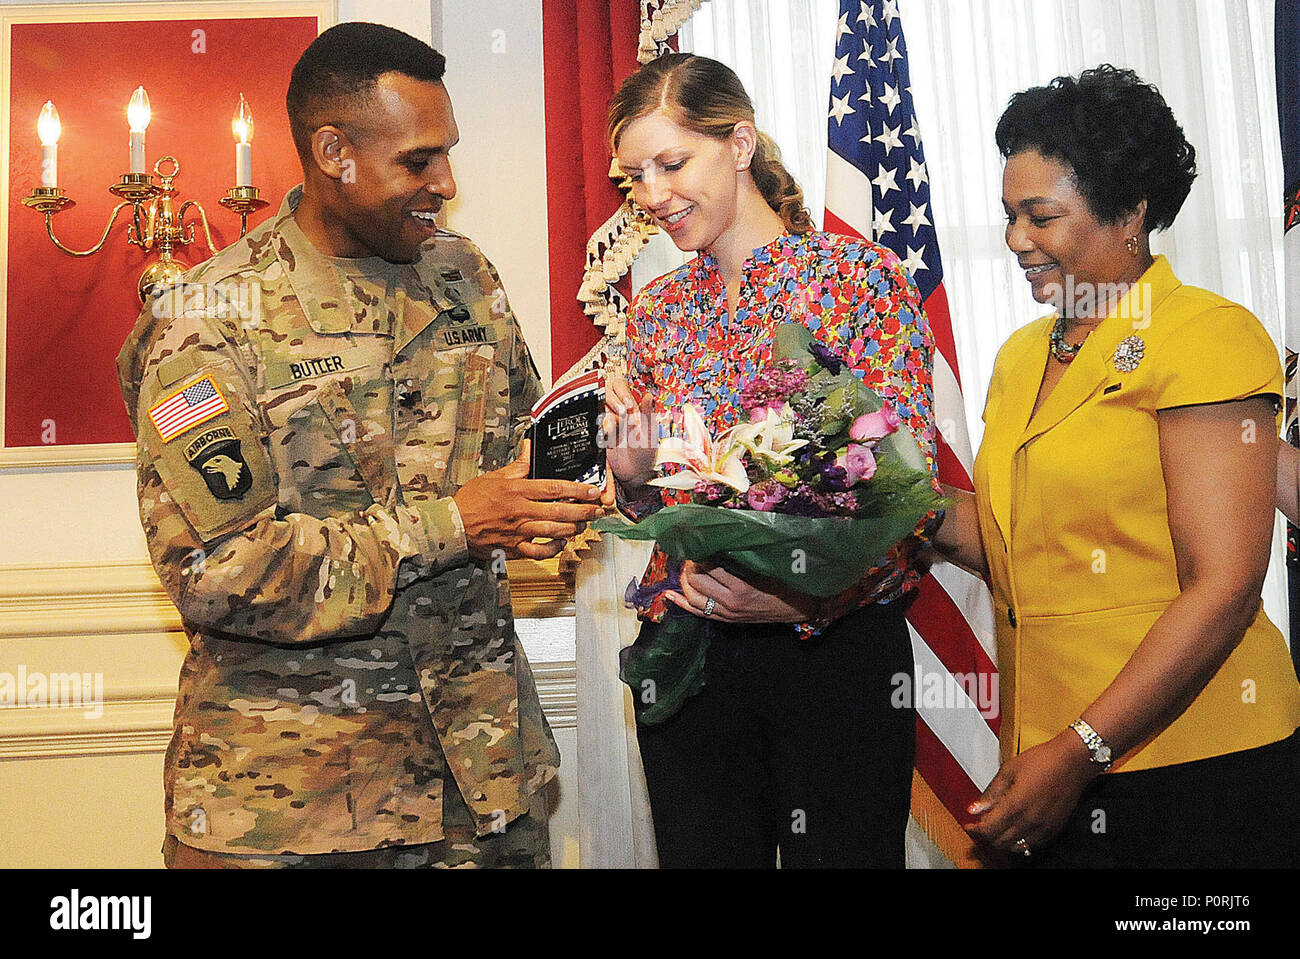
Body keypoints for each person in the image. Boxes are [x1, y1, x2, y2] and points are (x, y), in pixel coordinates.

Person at [115, 22, 605, 868]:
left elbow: (527, 447)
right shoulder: (205, 319)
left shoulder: (464, 276)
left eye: (447, 153)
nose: (446, 184)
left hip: (483, 789)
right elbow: (225, 573)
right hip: (295, 815)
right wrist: (458, 523)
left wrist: (558, 496)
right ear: (333, 150)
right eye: (419, 162)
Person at [933, 64, 1300, 867]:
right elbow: (1019, 551)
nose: (1015, 240)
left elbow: (1226, 584)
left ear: (1130, 212)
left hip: (1194, 770)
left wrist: (1081, 748)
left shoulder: (1204, 334)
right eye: (1008, 215)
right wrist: (893, 504)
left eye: (1041, 216)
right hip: (1047, 760)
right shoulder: (1021, 357)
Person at [603, 53, 939, 868]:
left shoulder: (856, 280)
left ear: (741, 143)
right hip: (690, 656)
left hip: (836, 657)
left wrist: (795, 592)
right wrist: (631, 468)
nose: (652, 197)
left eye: (672, 164)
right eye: (633, 178)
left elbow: (907, 487)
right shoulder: (656, 311)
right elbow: (647, 504)